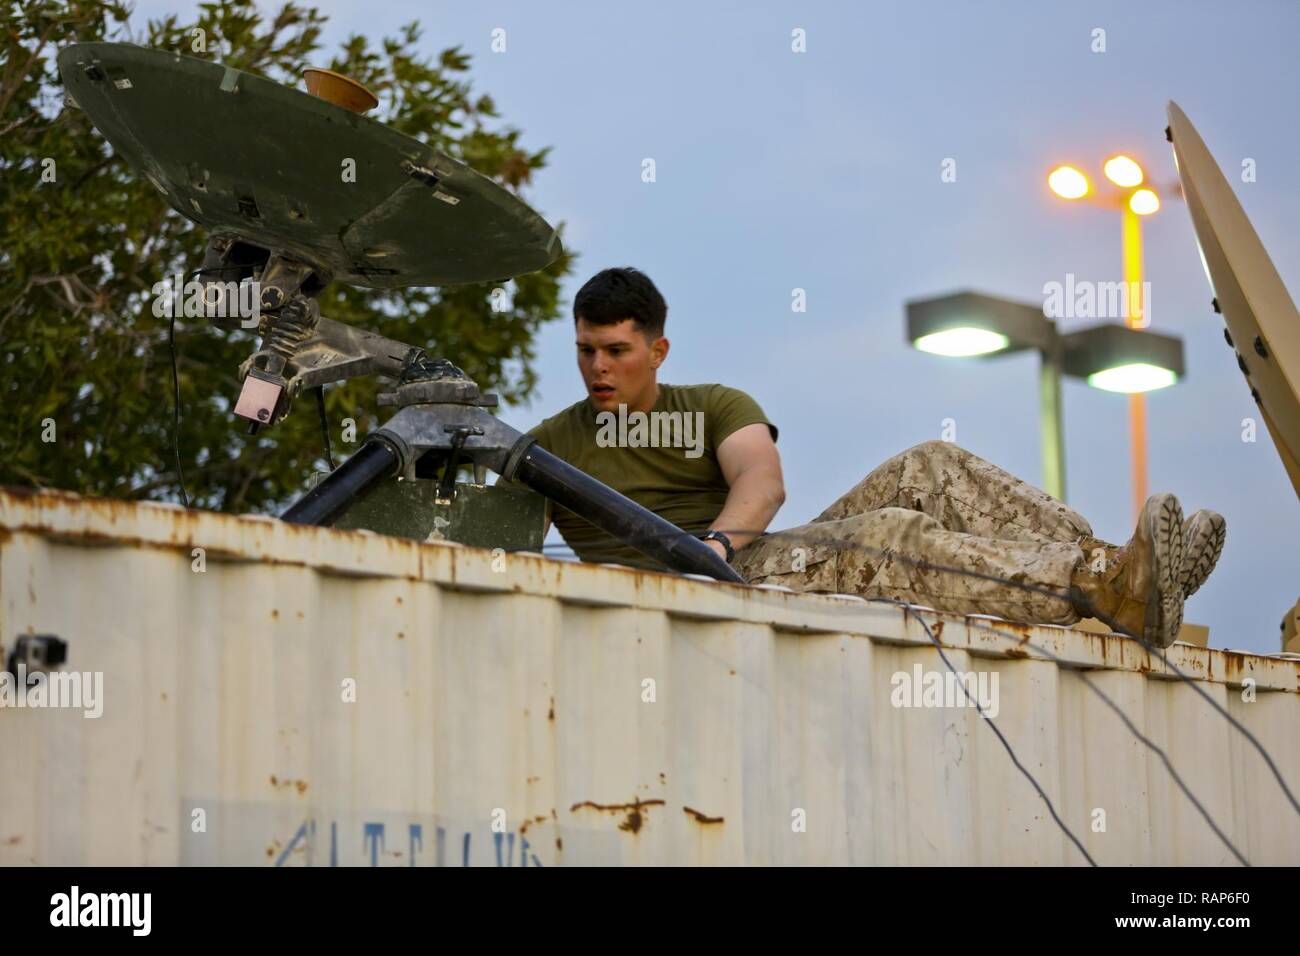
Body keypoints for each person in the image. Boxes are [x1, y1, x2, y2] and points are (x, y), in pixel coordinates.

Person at [499, 267, 1226, 649]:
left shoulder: (712, 403)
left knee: (930, 462)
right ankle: (1107, 585)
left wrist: (713, 545)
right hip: (685, 597)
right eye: (586, 352)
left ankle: (1118, 573)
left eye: (616, 352)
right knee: (879, 537)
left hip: (737, 559)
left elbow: (761, 480)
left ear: (657, 350)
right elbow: (498, 537)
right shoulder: (556, 443)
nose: (598, 368)